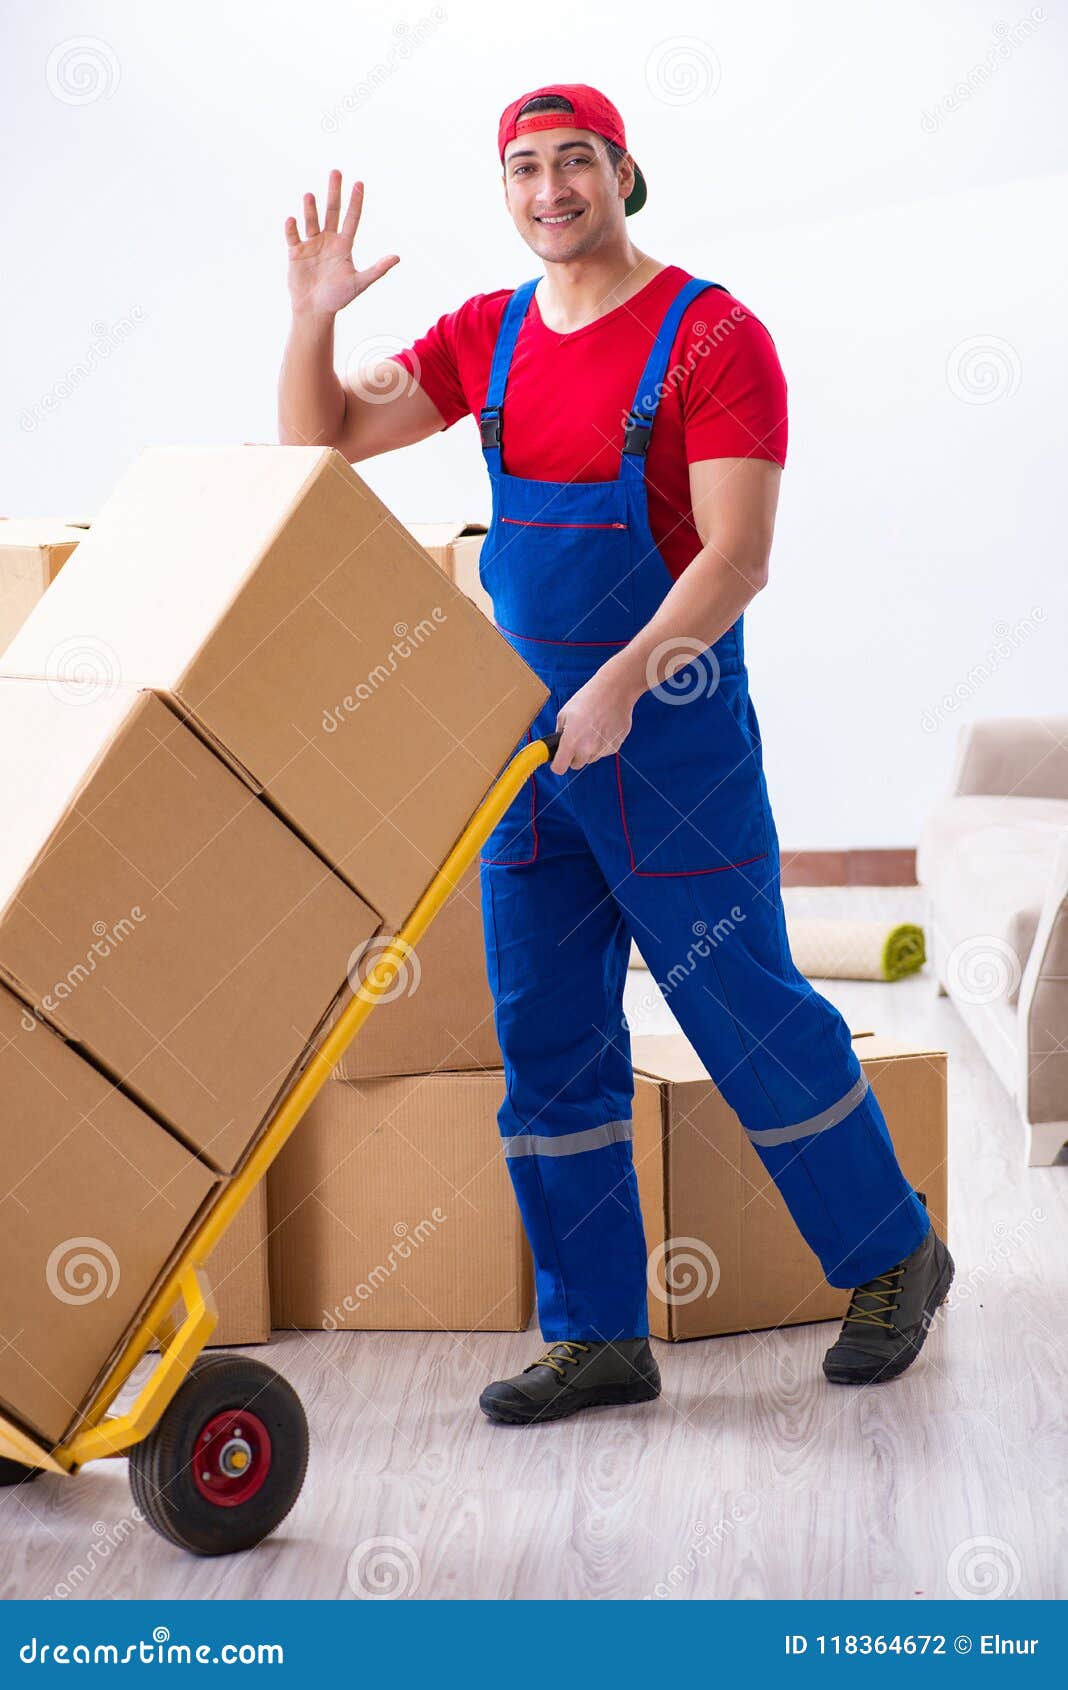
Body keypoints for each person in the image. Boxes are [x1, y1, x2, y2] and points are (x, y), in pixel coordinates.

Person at [278, 82, 954, 1427]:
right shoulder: (492, 335)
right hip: (524, 756)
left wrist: (620, 686)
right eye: (523, 168)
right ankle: (597, 1334)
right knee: (547, 1034)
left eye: (573, 161)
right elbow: (323, 445)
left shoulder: (714, 337)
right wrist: (313, 319)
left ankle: (894, 1254)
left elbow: (737, 555)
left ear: (623, 173)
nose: (548, 190)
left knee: (742, 1006)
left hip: (671, 738)